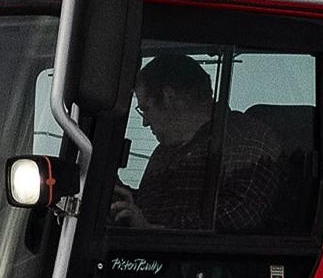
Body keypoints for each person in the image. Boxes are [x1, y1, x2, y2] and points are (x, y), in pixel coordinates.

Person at [113, 52, 285, 231]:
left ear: (169, 97)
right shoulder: (166, 151)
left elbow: (237, 218)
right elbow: (153, 208)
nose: (145, 122)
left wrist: (153, 230)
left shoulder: (246, 143)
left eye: (145, 108)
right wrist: (122, 201)